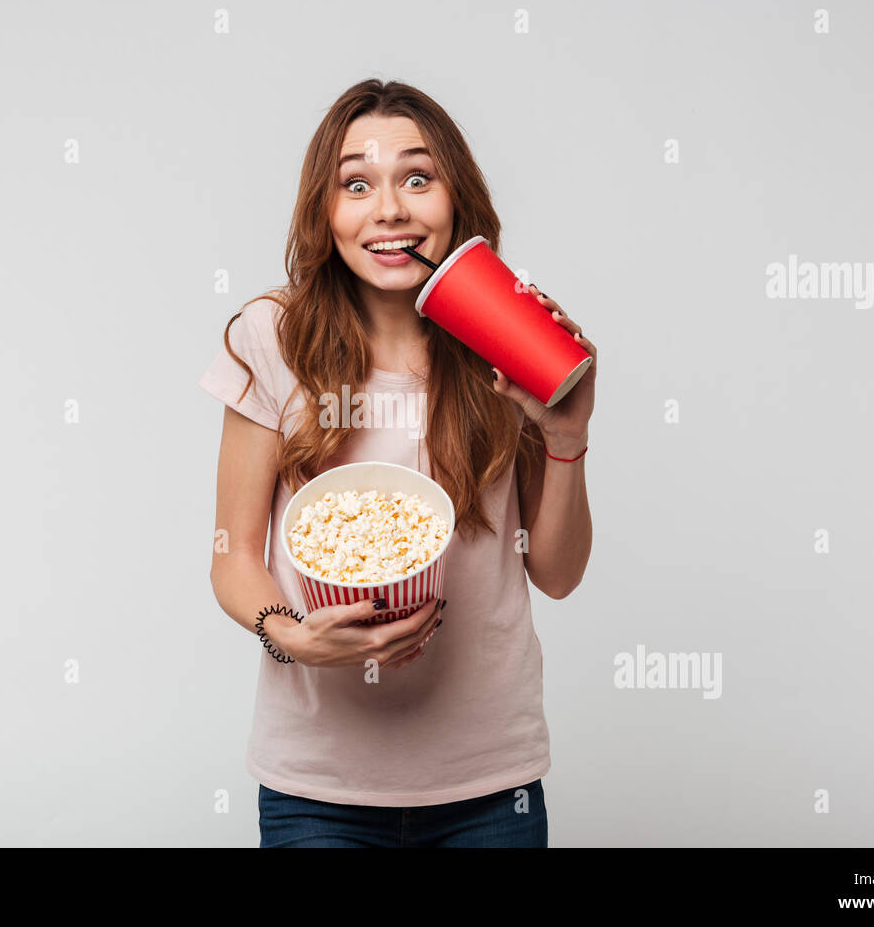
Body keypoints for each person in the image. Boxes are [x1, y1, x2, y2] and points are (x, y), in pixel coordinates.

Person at [198, 79, 597, 847]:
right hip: (317, 789)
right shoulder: (271, 337)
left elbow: (558, 573)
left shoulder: (503, 339)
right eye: (356, 184)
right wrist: (292, 635)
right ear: (326, 210)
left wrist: (567, 434)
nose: (389, 210)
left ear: (458, 201)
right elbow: (233, 558)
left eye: (418, 177)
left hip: (491, 785)